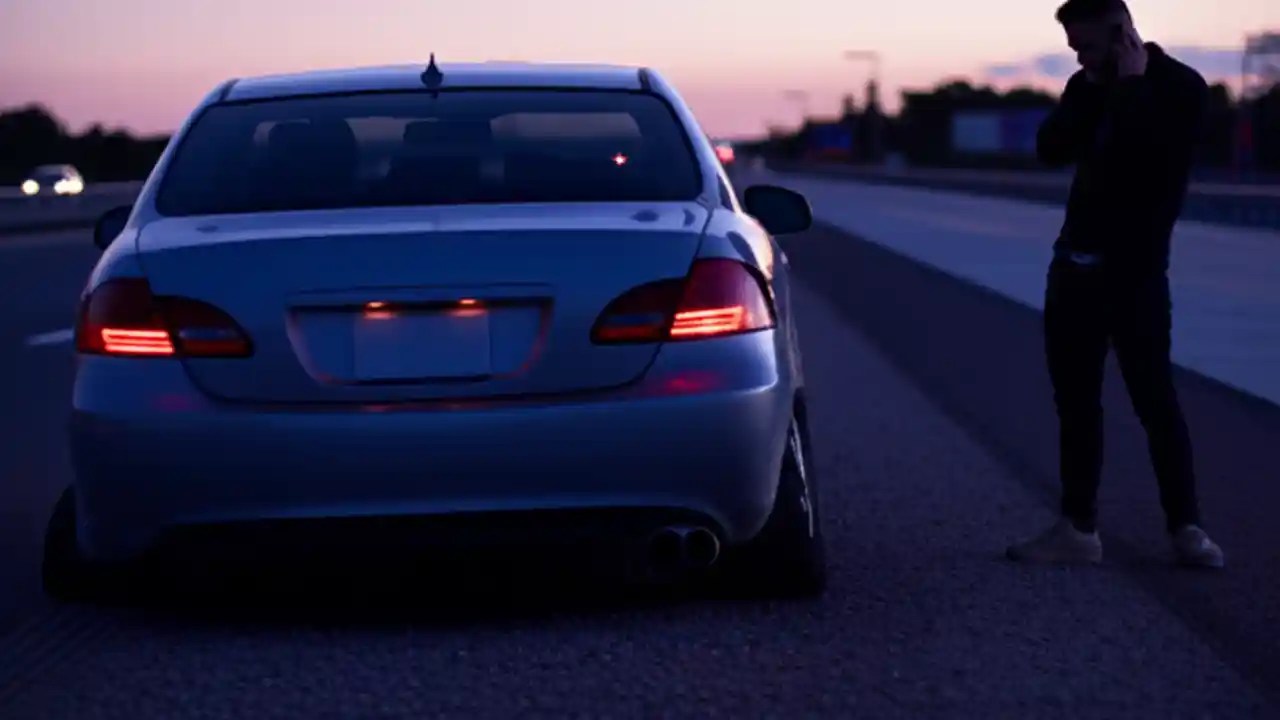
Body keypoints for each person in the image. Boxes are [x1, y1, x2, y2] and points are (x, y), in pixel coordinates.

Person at [1006, 0, 1225, 568]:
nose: (1080, 57)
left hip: (1136, 275)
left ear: (1124, 32)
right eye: (1074, 48)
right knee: (1076, 405)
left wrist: (1127, 89)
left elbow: (1144, 157)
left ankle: (1187, 528)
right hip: (1073, 269)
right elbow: (1050, 150)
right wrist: (1096, 88)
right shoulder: (1085, 86)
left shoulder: (1181, 88)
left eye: (1089, 46)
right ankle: (1078, 529)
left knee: (1155, 401)